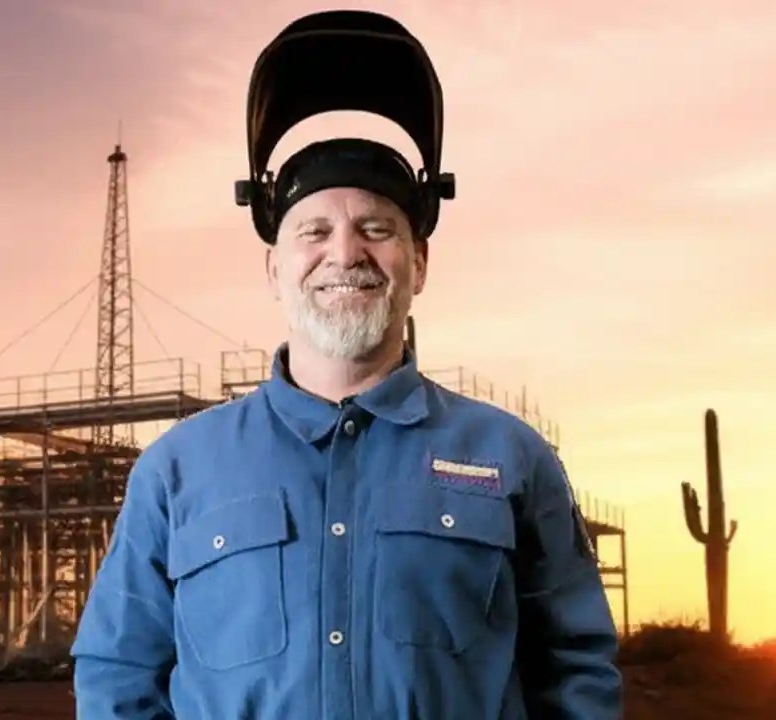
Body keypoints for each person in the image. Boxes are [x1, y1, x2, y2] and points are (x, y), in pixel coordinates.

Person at [70, 10, 623, 719]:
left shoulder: (510, 458)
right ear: (274, 268)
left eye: (376, 228)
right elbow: (119, 676)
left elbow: (575, 668)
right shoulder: (177, 473)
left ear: (418, 262)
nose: (345, 253)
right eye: (315, 230)